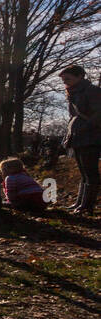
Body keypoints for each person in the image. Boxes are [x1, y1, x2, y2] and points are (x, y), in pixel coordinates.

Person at [61, 65, 101, 216]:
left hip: (91, 138)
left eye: (68, 78)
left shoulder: (92, 91)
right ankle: (80, 203)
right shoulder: (74, 93)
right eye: (64, 79)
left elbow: (98, 114)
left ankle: (87, 206)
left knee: (90, 173)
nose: (65, 82)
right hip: (78, 137)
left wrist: (85, 127)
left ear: (80, 77)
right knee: (84, 173)